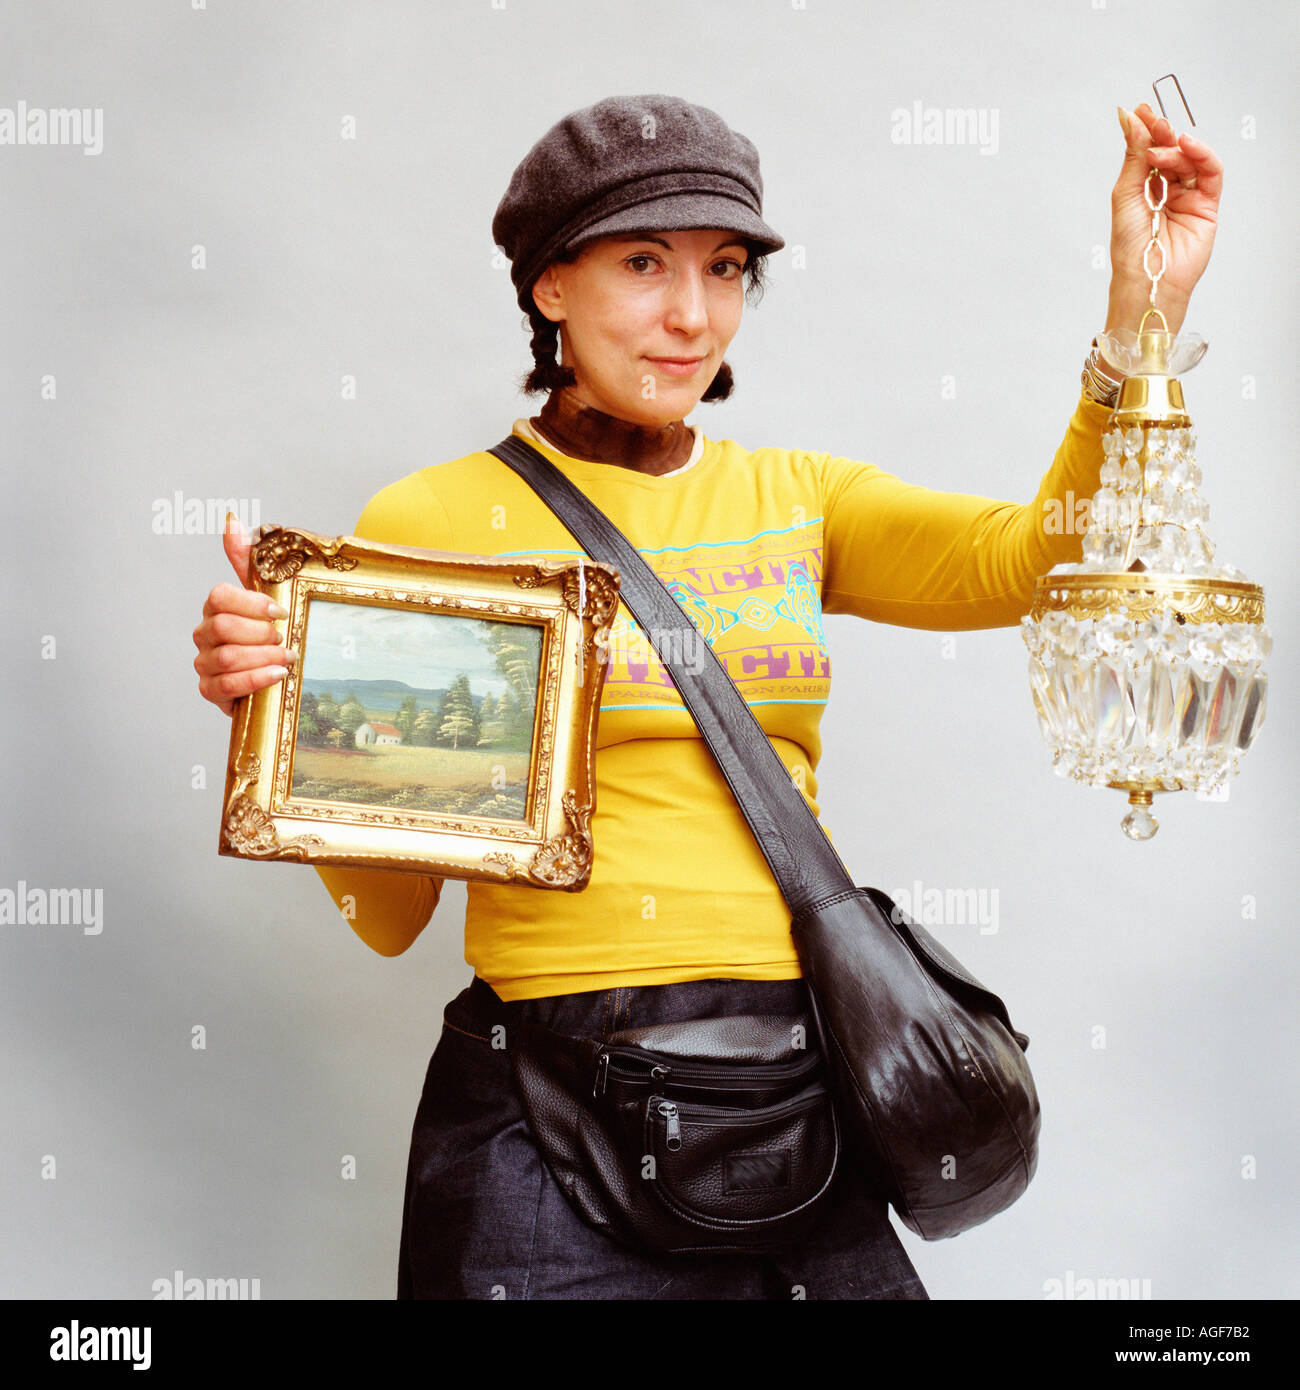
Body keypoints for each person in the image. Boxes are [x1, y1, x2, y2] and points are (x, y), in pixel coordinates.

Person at [192, 94, 1222, 1299]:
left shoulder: (800, 497)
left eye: (724, 269)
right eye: (643, 263)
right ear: (549, 288)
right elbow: (391, 915)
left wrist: (1139, 314)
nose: (692, 315)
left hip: (789, 1101)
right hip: (543, 1122)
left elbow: (1047, 561)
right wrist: (294, 723)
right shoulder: (428, 527)